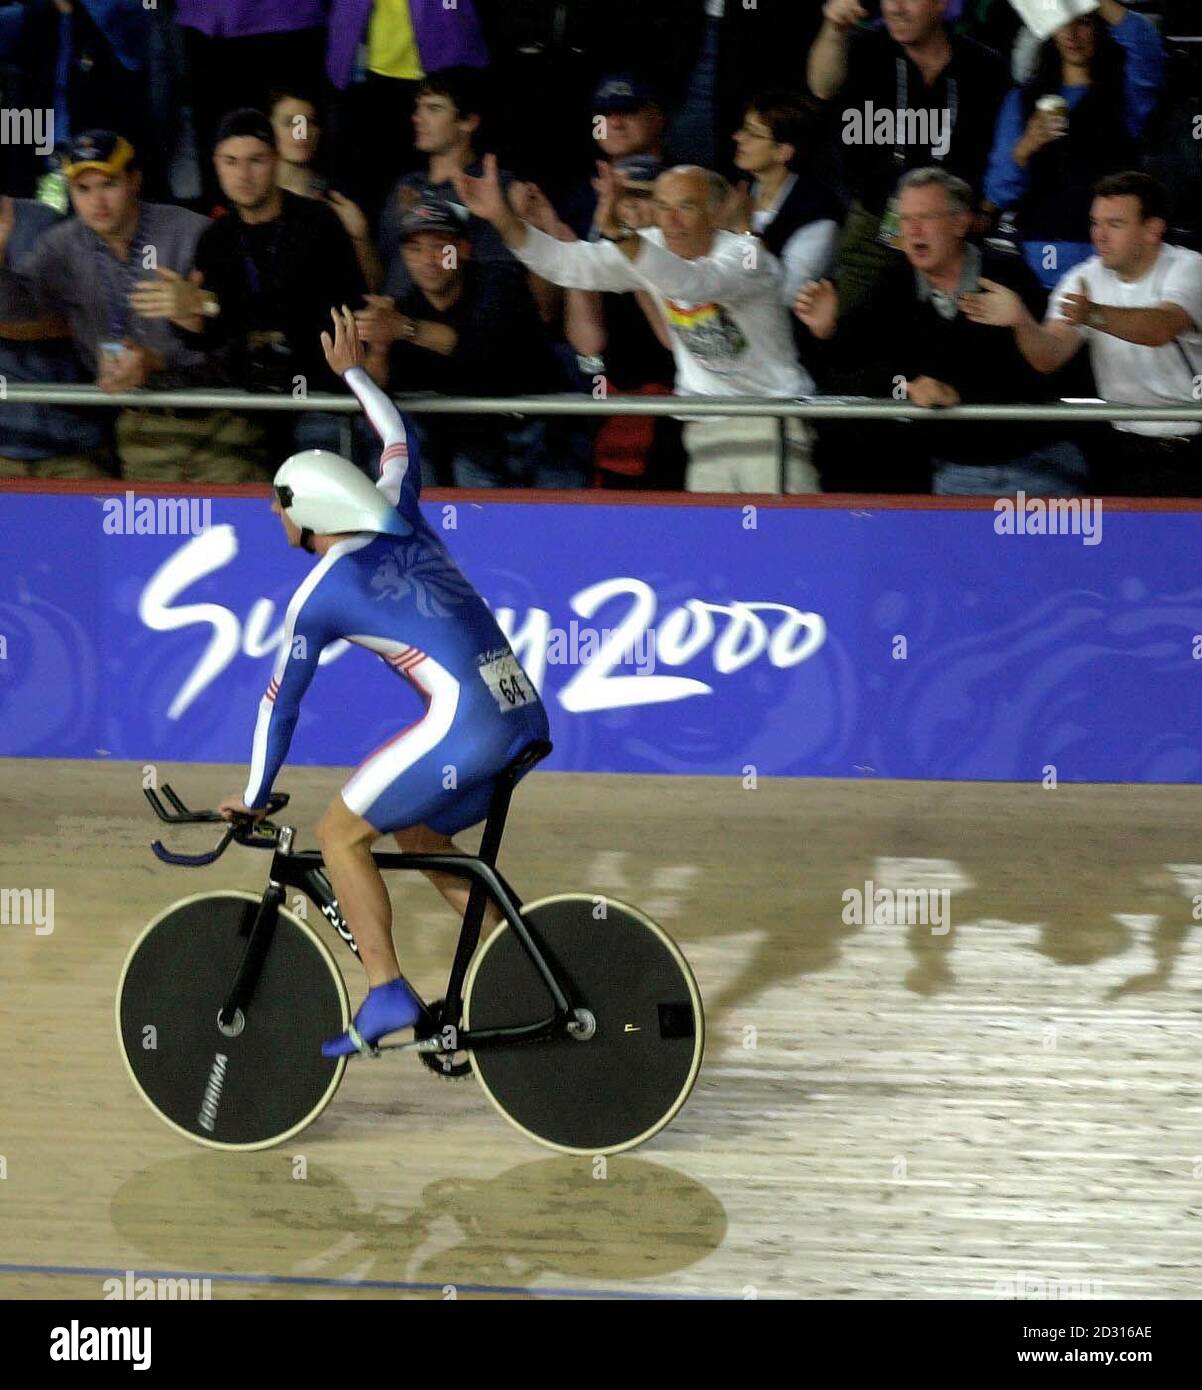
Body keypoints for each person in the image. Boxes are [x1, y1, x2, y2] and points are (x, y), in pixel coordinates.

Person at [217, 307, 550, 1057]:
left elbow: (281, 704)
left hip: (470, 724)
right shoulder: (400, 506)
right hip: (520, 708)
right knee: (417, 830)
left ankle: (386, 990)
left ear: (307, 514)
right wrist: (355, 375)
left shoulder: (320, 594)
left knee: (339, 834)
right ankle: (521, 969)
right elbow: (396, 435)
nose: (274, 515)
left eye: (280, 505)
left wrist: (254, 791)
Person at [456, 154, 820, 493]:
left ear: (713, 214)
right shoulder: (652, 246)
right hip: (704, 429)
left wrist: (620, 235)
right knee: (716, 556)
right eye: (663, 207)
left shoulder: (746, 256)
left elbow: (691, 282)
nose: (671, 220)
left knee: (789, 550)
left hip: (772, 426)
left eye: (686, 207)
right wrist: (504, 220)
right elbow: (570, 265)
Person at [794, 167, 1087, 496]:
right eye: (905, 220)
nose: (913, 231)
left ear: (960, 223)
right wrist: (826, 329)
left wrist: (959, 395)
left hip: (1033, 463)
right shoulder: (896, 283)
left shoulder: (1004, 278)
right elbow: (850, 356)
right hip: (954, 469)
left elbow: (1042, 380)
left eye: (926, 218)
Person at [0, 130, 263, 482]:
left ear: (134, 180)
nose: (97, 202)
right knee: (150, 532)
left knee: (237, 533)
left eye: (108, 184)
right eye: (83, 189)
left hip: (223, 423)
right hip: (139, 431)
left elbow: (253, 324)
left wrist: (206, 307)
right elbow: (19, 310)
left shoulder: (193, 233)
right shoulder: (63, 245)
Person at [134, 109, 367, 460]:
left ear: (274, 160)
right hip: (249, 402)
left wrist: (210, 304)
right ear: (216, 164)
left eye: (255, 160)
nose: (242, 175)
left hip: (322, 398)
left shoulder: (318, 221)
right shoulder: (216, 237)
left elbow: (336, 312)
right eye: (231, 162)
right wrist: (186, 314)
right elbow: (210, 334)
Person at [961, 171, 1202, 497]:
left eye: (1114, 224)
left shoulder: (1188, 268)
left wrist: (1093, 314)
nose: (1099, 236)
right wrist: (1021, 320)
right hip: (1126, 449)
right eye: (1095, 222)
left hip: (1194, 448)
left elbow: (1161, 326)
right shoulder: (1083, 277)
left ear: (1152, 229)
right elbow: (1049, 356)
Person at [355, 197, 585, 488]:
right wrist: (379, 345)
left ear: (463, 249)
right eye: (415, 249)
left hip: (546, 434)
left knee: (560, 527)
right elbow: (376, 390)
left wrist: (404, 328)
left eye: (440, 247)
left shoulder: (500, 280)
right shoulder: (404, 307)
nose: (428, 259)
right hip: (476, 445)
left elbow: (479, 344)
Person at [807, 0, 1008, 314]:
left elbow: (1001, 149)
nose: (896, 8)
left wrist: (986, 206)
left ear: (943, 5)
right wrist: (833, 31)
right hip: (877, 221)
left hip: (954, 228)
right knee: (855, 323)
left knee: (951, 328)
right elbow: (822, 86)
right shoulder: (866, 47)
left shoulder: (984, 66)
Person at [984, 0, 1165, 289]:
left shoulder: (1125, 95)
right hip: (1040, 252)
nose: (1071, 33)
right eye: (1061, 23)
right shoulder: (1022, 100)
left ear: (1101, 28)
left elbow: (1146, 48)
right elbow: (998, 191)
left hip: (1110, 256)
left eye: (1083, 22)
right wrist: (1026, 146)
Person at [269, 87, 383, 291]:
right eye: (290, 123)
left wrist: (360, 238)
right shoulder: (256, 197)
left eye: (309, 122)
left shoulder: (341, 198)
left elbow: (374, 289)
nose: (301, 132)